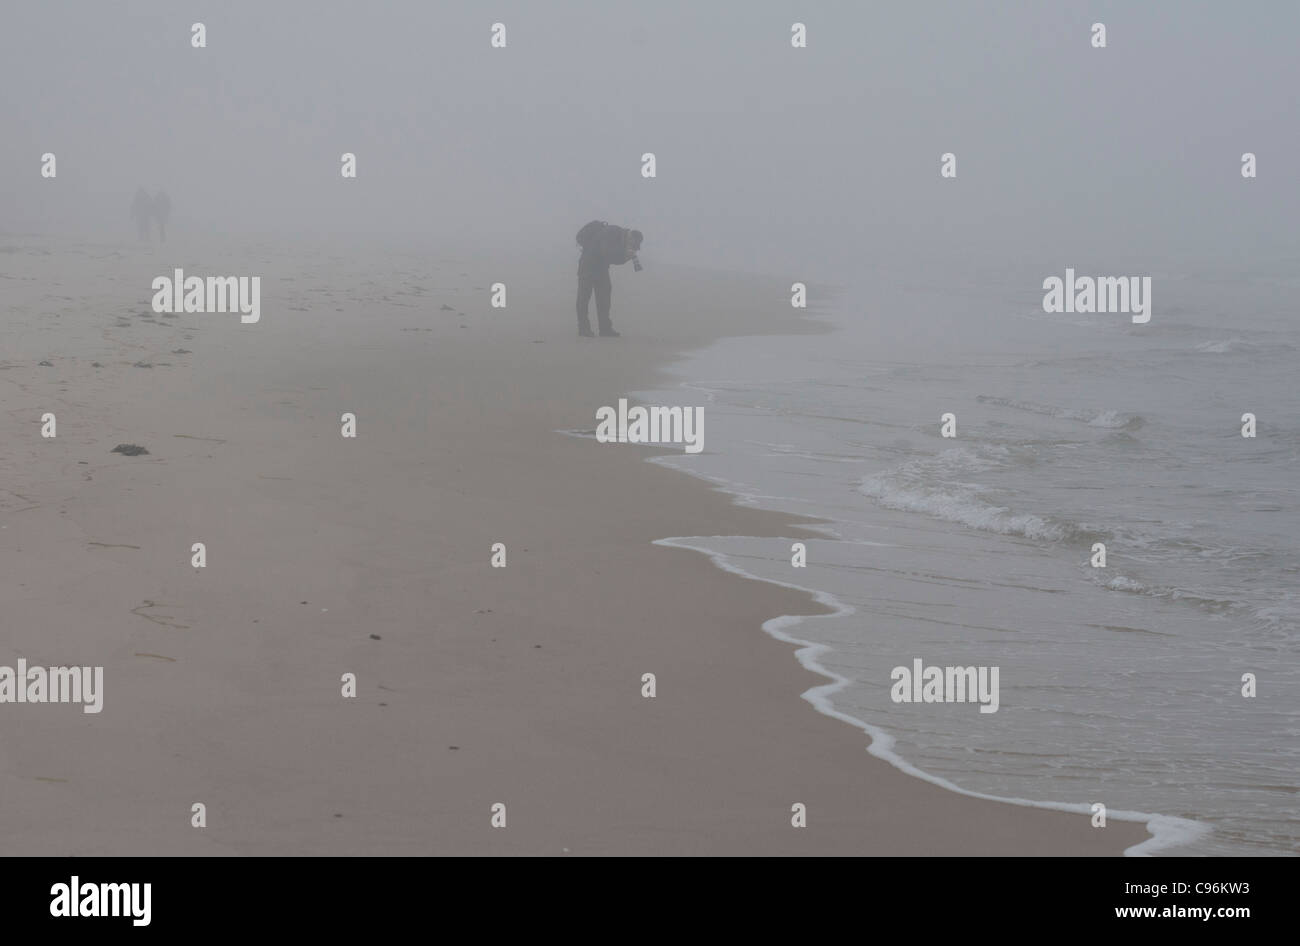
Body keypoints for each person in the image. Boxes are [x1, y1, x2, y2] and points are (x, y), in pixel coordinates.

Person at [575, 221, 643, 337]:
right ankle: (584, 329)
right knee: (584, 298)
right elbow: (605, 251)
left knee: (604, 298)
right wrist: (624, 253)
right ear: (631, 237)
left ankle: (605, 329)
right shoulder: (612, 231)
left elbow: (613, 258)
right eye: (633, 245)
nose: (633, 247)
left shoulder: (621, 238)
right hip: (587, 266)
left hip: (601, 268)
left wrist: (626, 256)